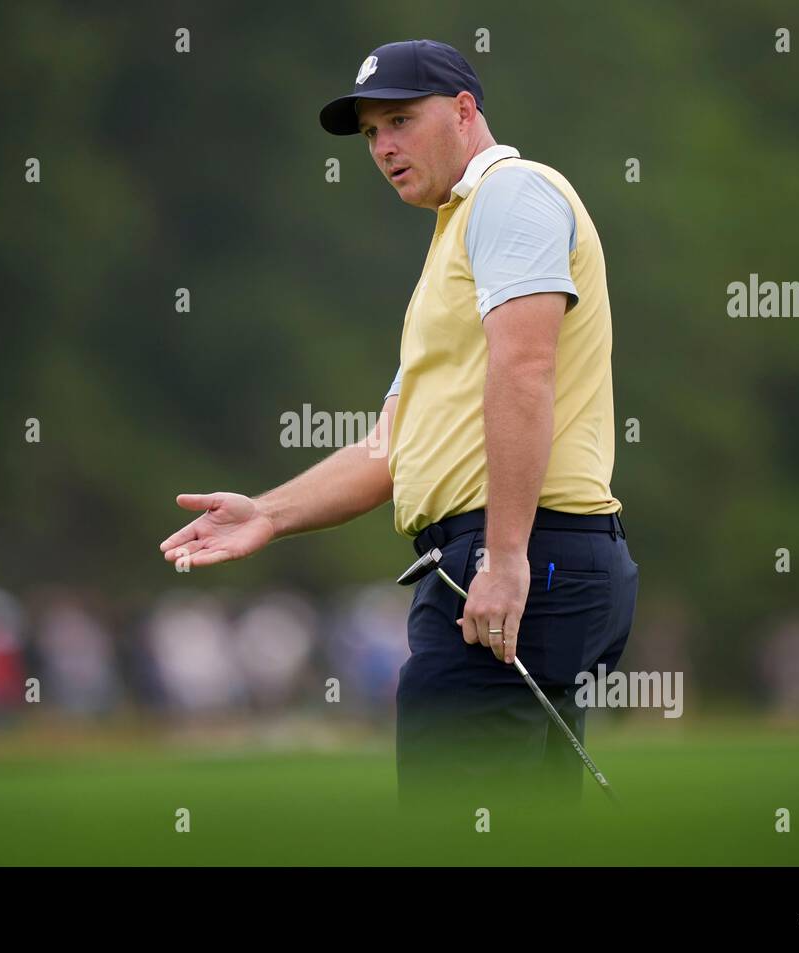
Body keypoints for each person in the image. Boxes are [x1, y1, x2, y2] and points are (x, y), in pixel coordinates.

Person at [159, 39, 638, 810]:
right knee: (525, 832)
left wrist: (506, 557)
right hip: (515, 557)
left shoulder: (510, 195)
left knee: (455, 825)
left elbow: (525, 372)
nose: (383, 147)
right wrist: (269, 514)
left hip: (519, 555)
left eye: (400, 122)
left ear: (463, 111)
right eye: (372, 132)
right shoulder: (454, 238)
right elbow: (394, 450)